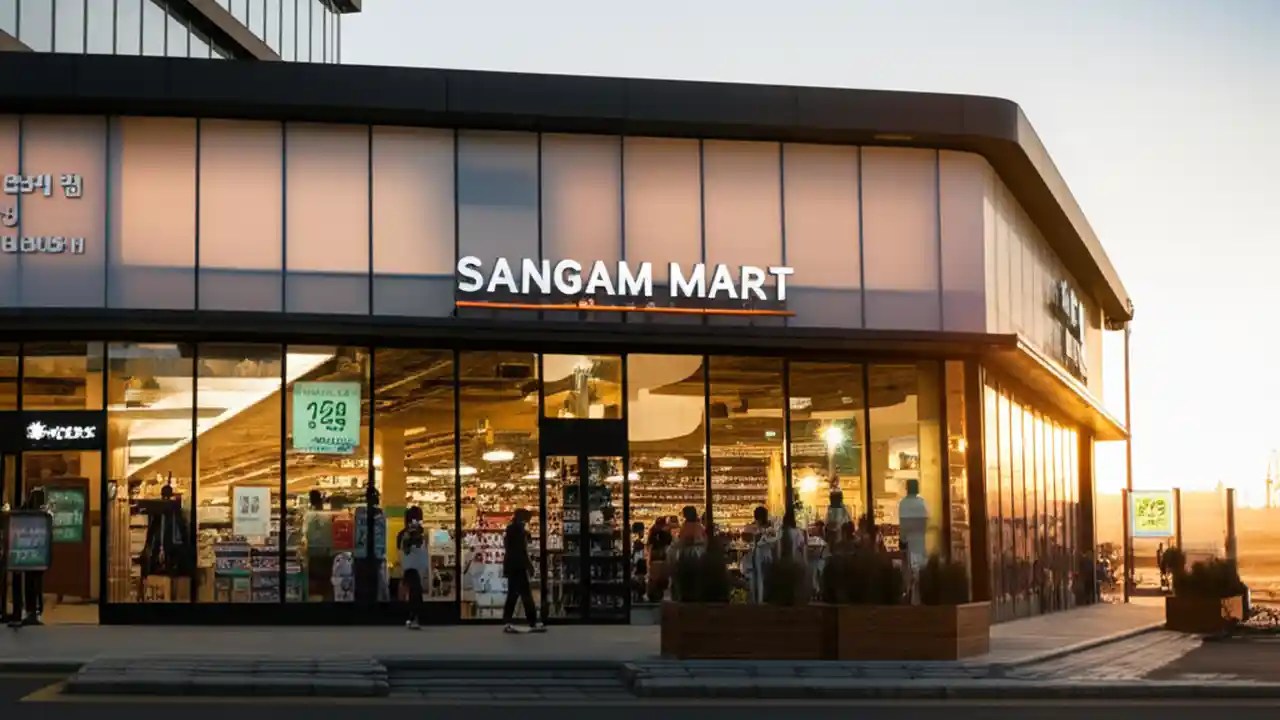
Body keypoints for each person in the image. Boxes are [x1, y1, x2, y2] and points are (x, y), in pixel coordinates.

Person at [11, 488, 51, 626]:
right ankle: (34, 611)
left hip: (27, 554)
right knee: (35, 584)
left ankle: (29, 611)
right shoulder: (43, 515)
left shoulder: (24, 513)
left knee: (30, 584)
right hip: (37, 555)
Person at [502, 508, 544, 633]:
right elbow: (521, 551)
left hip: (511, 565)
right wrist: (529, 566)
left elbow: (510, 548)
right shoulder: (520, 531)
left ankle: (508, 621)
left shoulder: (510, 529)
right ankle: (532, 622)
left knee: (513, 595)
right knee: (525, 595)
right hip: (518, 566)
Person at [397, 506, 430, 630]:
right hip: (415, 566)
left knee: (413, 592)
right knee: (416, 592)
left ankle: (413, 617)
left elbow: (400, 550)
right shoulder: (415, 534)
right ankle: (414, 617)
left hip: (410, 565)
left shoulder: (405, 533)